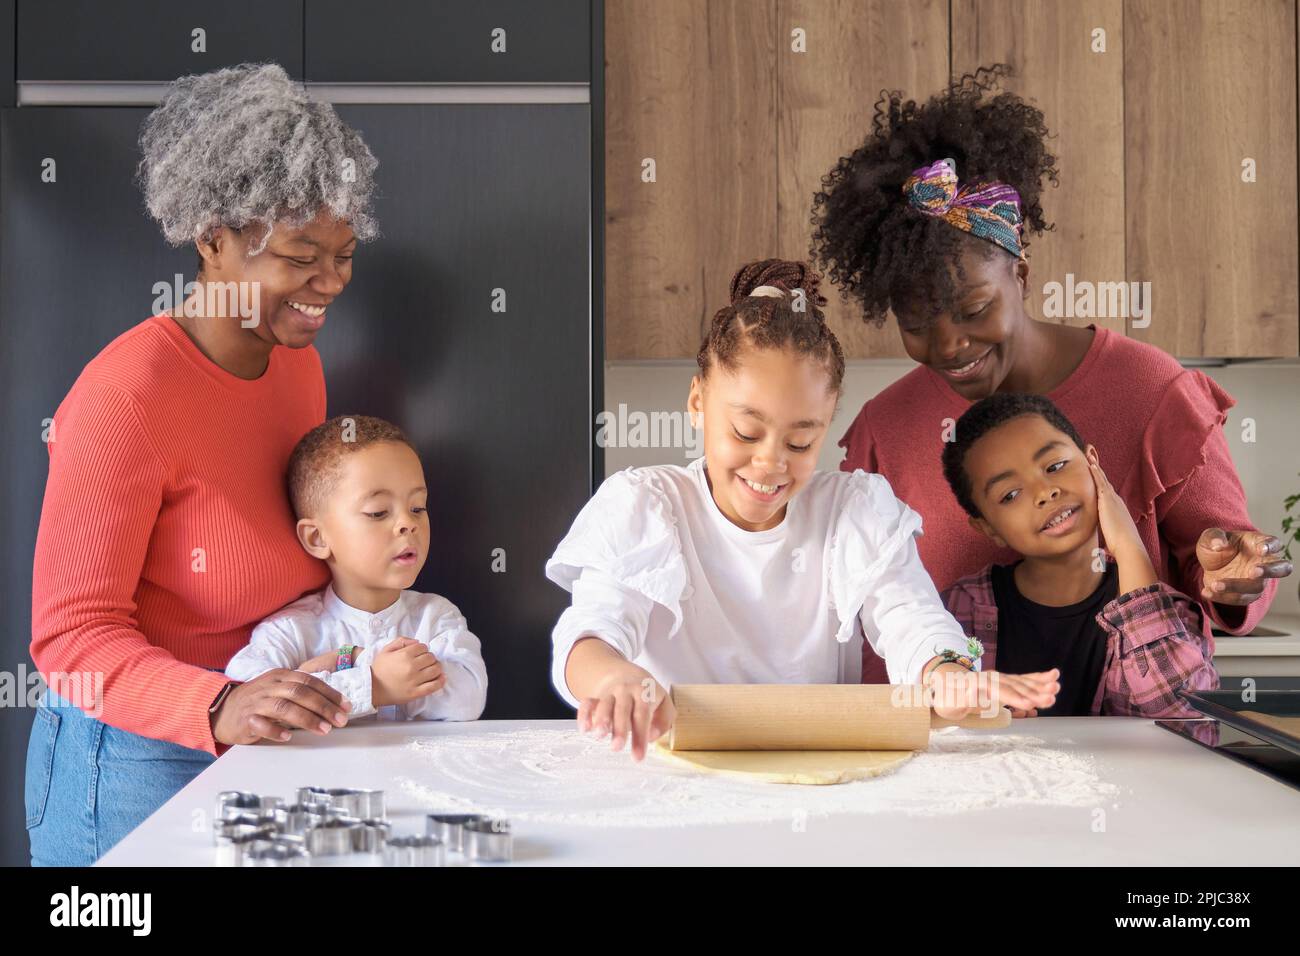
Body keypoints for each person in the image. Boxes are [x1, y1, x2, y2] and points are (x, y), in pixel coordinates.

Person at [810, 65, 1291, 683]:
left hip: (1129, 741)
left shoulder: (1151, 391)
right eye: (917, 322)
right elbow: (862, 606)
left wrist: (1231, 575)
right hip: (950, 754)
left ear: (1022, 277)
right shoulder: (887, 428)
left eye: (974, 310)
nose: (950, 343)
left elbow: (1224, 561)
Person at [26, 63, 378, 865]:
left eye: (345, 253)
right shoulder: (126, 396)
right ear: (213, 239)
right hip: (127, 766)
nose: (331, 283)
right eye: (299, 257)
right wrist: (217, 702)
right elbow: (70, 641)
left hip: (259, 733)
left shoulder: (297, 365)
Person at [546, 259, 1059, 762]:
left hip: (820, 779)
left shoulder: (851, 512)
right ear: (698, 401)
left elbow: (911, 618)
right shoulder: (647, 506)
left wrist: (946, 675)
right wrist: (614, 678)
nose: (770, 463)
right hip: (665, 768)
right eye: (746, 433)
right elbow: (591, 632)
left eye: (801, 441)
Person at [939, 393, 1217, 717]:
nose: (1045, 493)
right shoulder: (956, 611)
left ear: (1092, 462)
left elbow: (1185, 729)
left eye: (1055, 466)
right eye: (1010, 494)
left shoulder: (1174, 615)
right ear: (988, 528)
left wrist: (1129, 547)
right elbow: (932, 729)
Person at [225, 415, 488, 720]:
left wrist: (332, 667)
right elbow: (248, 699)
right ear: (318, 537)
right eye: (378, 513)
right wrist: (372, 684)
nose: (408, 524)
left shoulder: (435, 616)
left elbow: (468, 697)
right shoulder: (291, 632)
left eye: (417, 508)